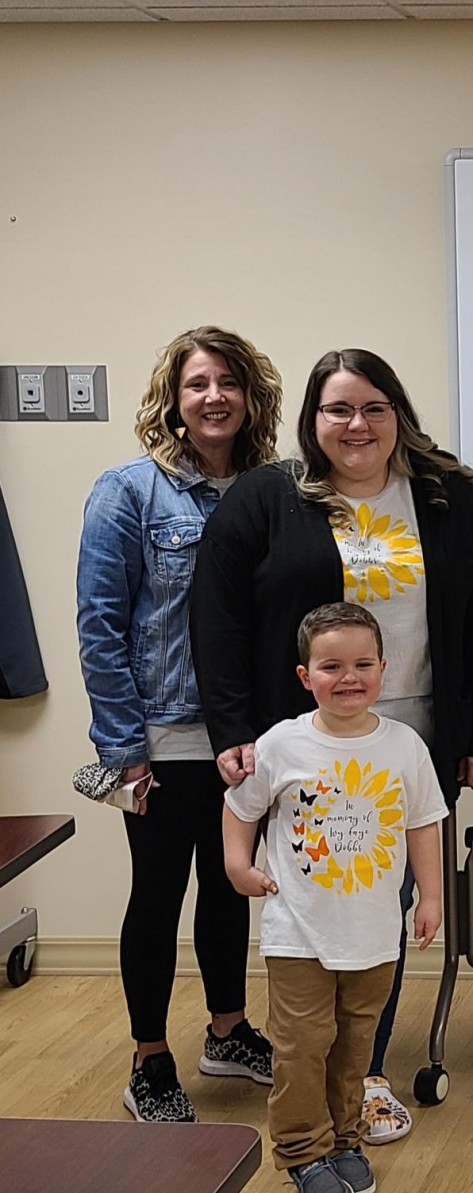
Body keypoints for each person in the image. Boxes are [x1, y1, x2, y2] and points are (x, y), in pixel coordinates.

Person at [193, 348, 473, 1144]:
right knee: (314, 908)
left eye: (373, 407)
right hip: (308, 746)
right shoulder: (269, 497)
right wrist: (232, 729)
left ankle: (364, 1076)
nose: (357, 424)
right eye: (338, 409)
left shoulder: (445, 496)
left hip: (414, 741)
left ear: (397, 414)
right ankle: (311, 1072)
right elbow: (217, 616)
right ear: (313, 420)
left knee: (381, 907)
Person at [75, 326, 282, 1121]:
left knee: (229, 887)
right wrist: (125, 749)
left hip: (246, 734)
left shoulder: (272, 490)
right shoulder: (128, 491)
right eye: (198, 383)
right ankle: (150, 1061)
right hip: (161, 736)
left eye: (228, 382)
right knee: (159, 894)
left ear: (252, 398)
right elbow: (100, 626)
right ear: (173, 398)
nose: (214, 397)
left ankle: (227, 1031)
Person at [223, 603, 445, 1193]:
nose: (349, 677)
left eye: (363, 664)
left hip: (374, 933)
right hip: (298, 932)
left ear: (383, 669)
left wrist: (430, 896)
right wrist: (238, 866)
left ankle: (344, 1139)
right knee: (300, 1047)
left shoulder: (405, 746)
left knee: (354, 1047)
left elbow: (424, 823)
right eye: (331, 666)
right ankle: (303, 1151)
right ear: (305, 676)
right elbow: (241, 807)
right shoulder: (281, 744)